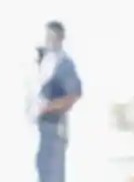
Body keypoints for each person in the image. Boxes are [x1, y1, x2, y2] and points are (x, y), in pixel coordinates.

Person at [31, 21, 82, 182]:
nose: (47, 39)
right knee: (43, 170)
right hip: (44, 126)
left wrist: (48, 107)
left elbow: (74, 94)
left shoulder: (64, 63)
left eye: (50, 36)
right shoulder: (48, 62)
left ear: (60, 38)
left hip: (55, 126)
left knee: (52, 175)